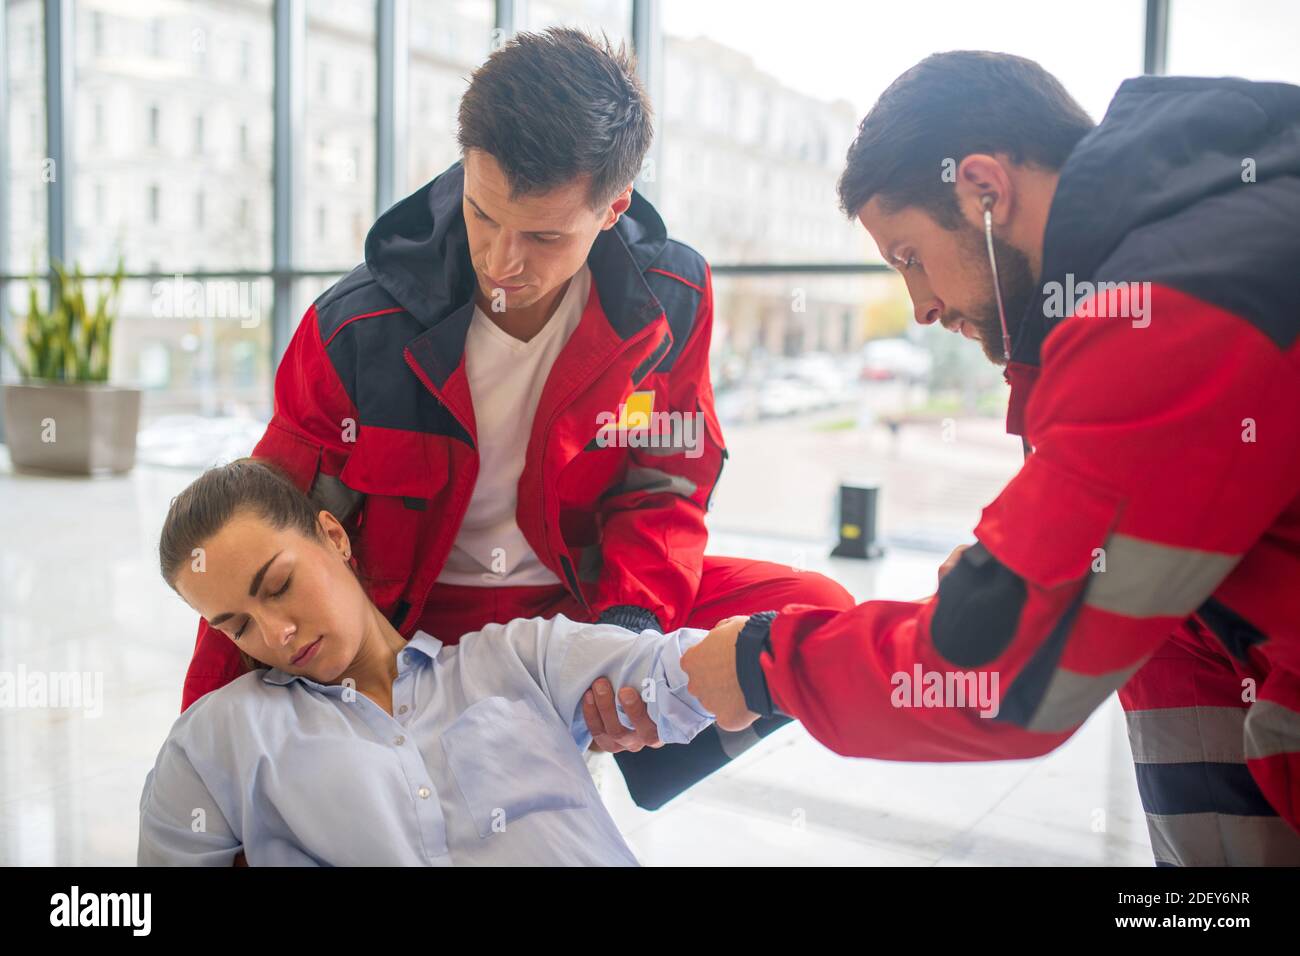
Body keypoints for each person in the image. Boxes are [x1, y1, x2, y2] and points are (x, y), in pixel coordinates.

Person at [177, 27, 855, 811]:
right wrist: (204, 773)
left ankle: (625, 750)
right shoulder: (353, 329)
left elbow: (664, 487)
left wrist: (629, 632)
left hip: (578, 601)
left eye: (543, 235)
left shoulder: (673, 298)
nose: (503, 261)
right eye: (483, 215)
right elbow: (261, 538)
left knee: (816, 624)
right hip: (414, 621)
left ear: (612, 209)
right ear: (465, 170)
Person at [682, 52, 1300, 866]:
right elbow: (1110, 549)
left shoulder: (1174, 303)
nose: (922, 306)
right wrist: (1017, 572)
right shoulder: (1206, 233)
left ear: (983, 189)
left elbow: (996, 679)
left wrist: (764, 666)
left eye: (908, 256)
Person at [141, 458, 718, 865]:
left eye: (279, 585)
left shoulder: (515, 658)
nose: (276, 632)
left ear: (334, 536)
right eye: (237, 626)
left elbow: (666, 668)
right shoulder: (216, 740)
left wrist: (766, 656)